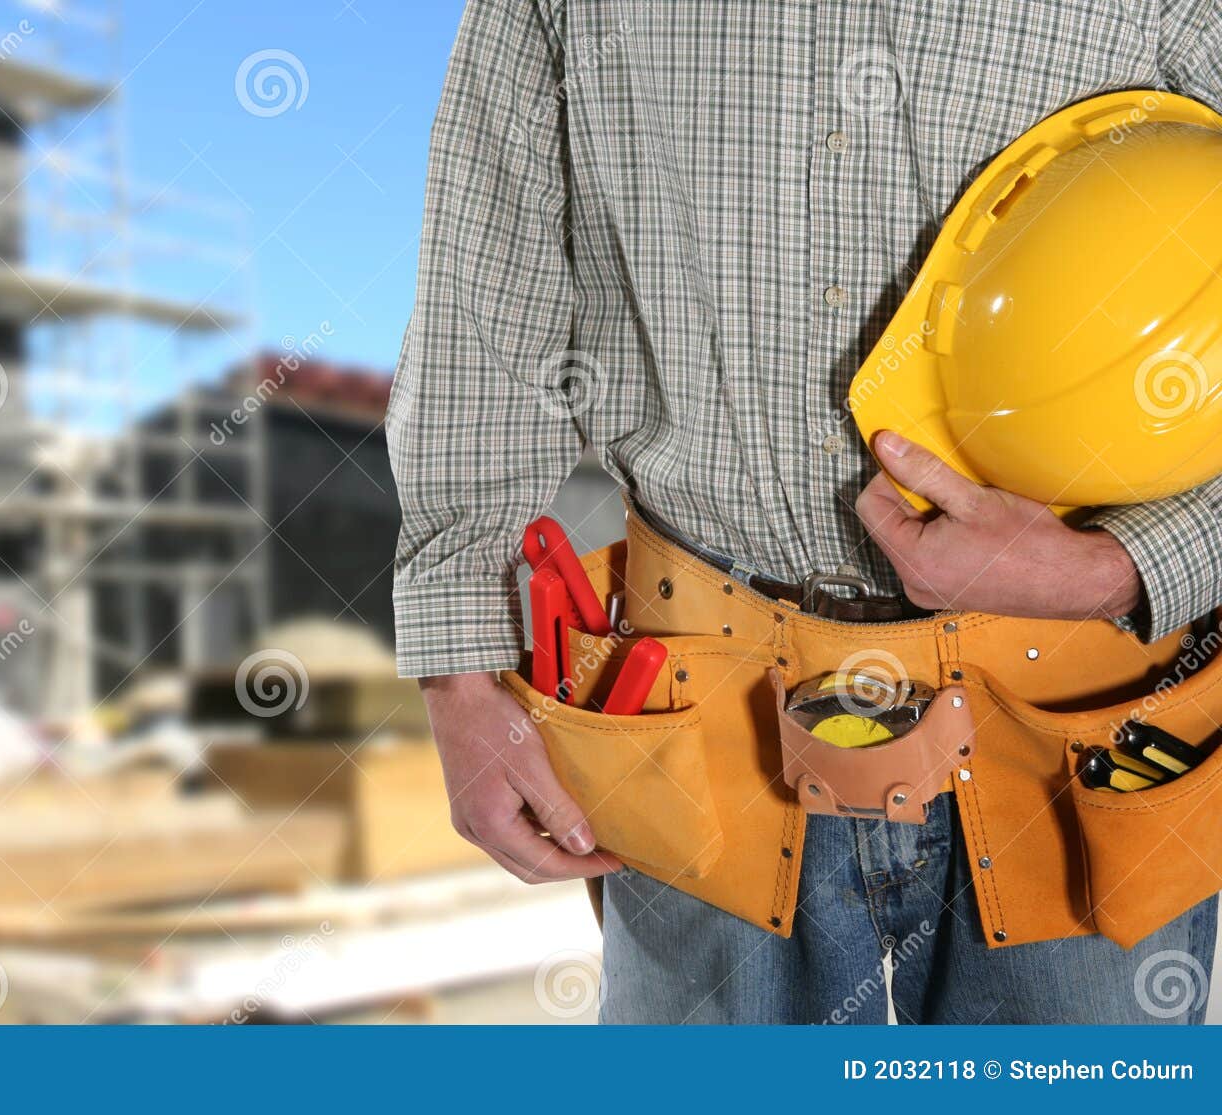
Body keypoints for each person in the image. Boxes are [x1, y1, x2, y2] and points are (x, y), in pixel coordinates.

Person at [386, 1, 1222, 1024]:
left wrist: (1123, 567)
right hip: (695, 721)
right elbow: (489, 278)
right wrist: (458, 665)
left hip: (1075, 727)